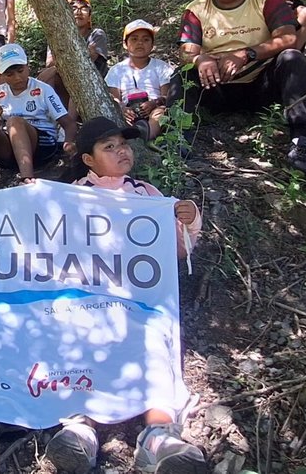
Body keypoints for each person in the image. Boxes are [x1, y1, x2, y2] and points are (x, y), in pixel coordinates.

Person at [44, 116, 205, 474]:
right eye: (109, 147)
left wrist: (188, 220)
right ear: (88, 159)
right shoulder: (70, 195)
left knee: (154, 344)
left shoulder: (148, 195)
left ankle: (159, 434)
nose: (121, 151)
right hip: (87, 300)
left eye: (124, 144)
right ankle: (80, 430)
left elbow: (176, 252)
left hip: (141, 301)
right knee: (77, 341)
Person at [178, 0, 306, 172]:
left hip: (261, 83)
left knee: (292, 58)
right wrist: (200, 59)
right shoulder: (196, 9)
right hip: (216, 86)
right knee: (183, 75)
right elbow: (187, 51)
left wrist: (246, 54)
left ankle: (303, 141)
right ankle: (177, 141)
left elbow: (287, 36)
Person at [0, 44, 77, 190]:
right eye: (10, 74)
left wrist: (68, 142)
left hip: (43, 146)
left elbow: (68, 123)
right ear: (1, 76)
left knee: (15, 121)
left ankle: (27, 180)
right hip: (12, 149)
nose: (17, 77)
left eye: (20, 71)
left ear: (28, 67)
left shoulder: (43, 89)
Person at [106, 20, 177, 140]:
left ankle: (145, 135)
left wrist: (154, 103)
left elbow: (168, 96)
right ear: (125, 44)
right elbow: (115, 99)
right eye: (134, 39)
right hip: (128, 111)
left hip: (153, 108)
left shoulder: (161, 67)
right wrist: (123, 109)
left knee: (161, 113)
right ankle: (129, 135)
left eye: (145, 40)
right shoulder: (116, 70)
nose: (140, 43)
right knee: (116, 115)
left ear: (152, 44)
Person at [37, 0, 110, 109]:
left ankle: (69, 122)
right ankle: (51, 115)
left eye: (84, 8)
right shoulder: (57, 37)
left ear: (90, 15)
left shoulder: (96, 34)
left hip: (92, 83)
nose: (78, 12)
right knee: (48, 75)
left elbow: (88, 61)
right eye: (73, 8)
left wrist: (61, 61)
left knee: (74, 76)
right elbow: (50, 64)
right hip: (63, 82)